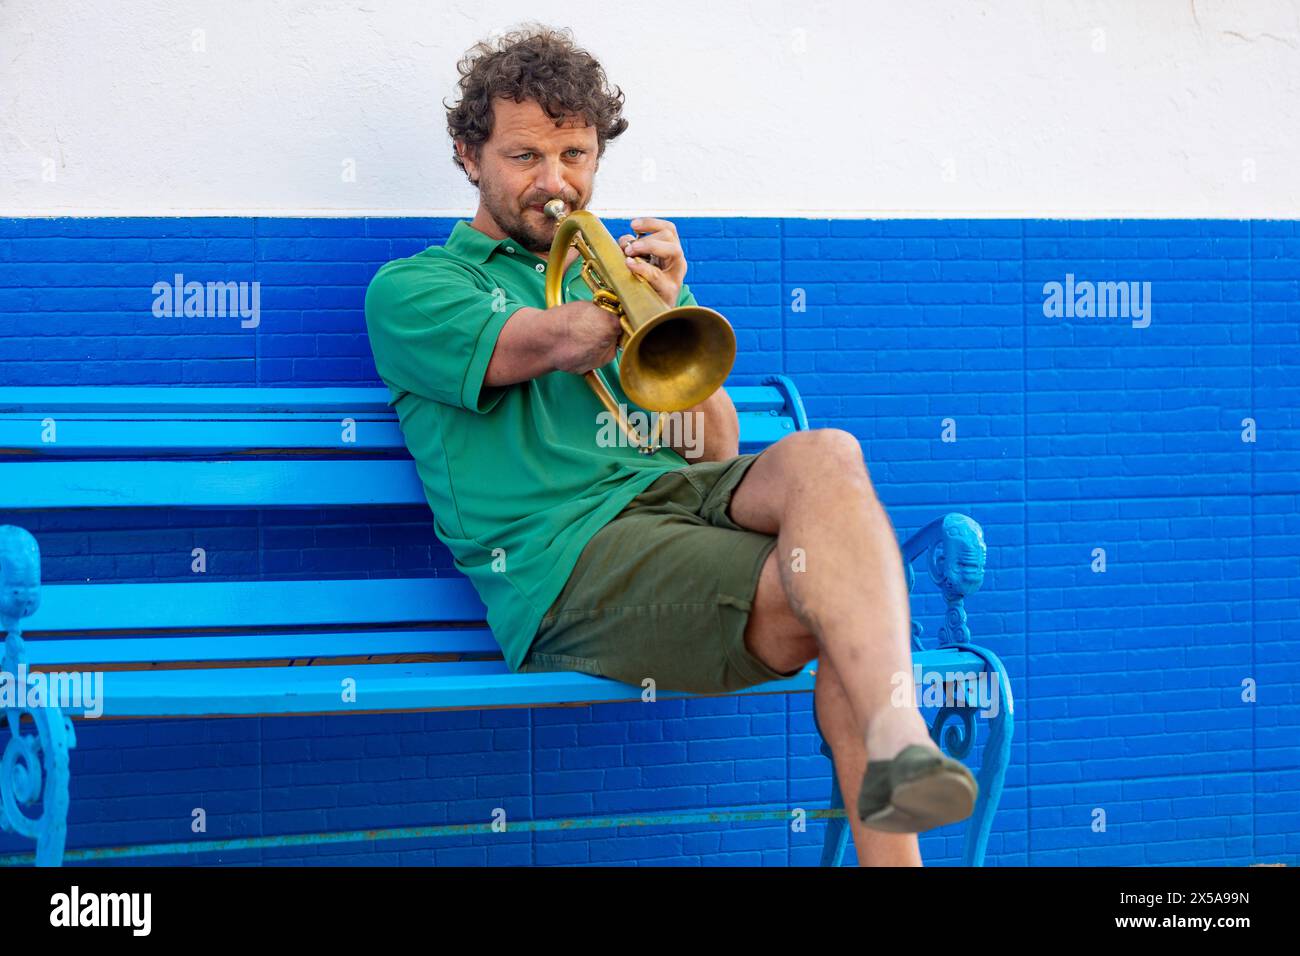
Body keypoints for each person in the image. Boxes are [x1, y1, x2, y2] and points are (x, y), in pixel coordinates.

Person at [363, 24, 977, 866]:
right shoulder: (415, 287)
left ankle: (899, 733)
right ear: (469, 156)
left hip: (673, 508)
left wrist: (664, 314)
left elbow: (715, 449)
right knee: (838, 601)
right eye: (524, 157)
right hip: (567, 559)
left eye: (576, 155)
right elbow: (540, 344)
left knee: (826, 454)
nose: (556, 184)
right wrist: (615, 302)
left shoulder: (604, 279)